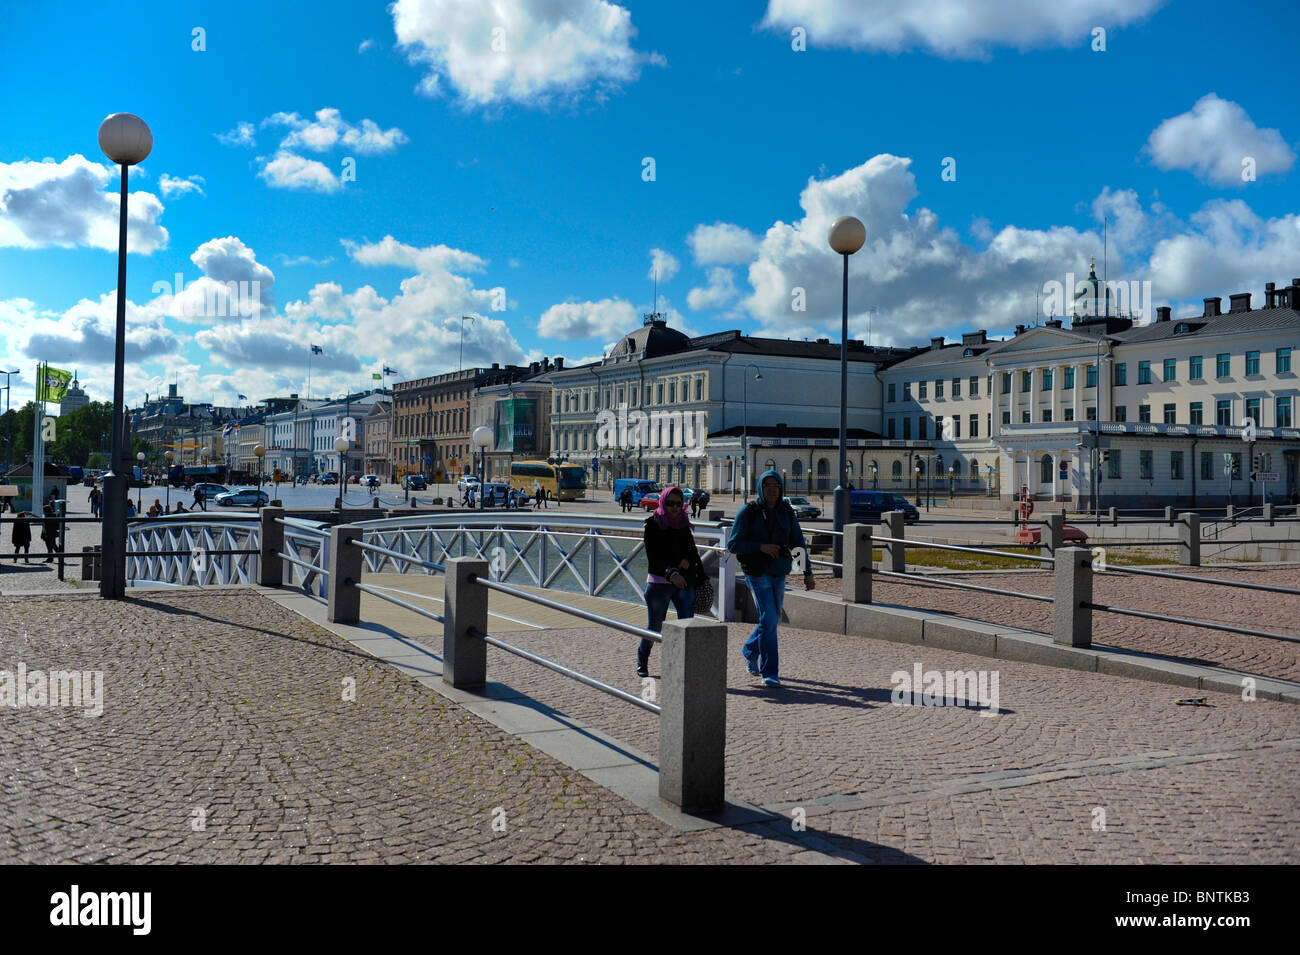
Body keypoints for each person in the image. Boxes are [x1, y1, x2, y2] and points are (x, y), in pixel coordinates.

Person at [727, 470, 814, 688]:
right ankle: (770, 671)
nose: (772, 489)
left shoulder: (786, 511)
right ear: (760, 488)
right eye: (768, 485)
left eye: (776, 485)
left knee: (771, 619)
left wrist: (807, 572)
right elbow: (733, 545)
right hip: (757, 572)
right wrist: (761, 547)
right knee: (769, 618)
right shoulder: (748, 512)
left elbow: (797, 542)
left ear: (781, 488)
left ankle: (750, 649)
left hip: (779, 571)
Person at [637, 485, 702, 678]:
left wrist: (688, 562)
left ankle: (679, 666)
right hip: (659, 583)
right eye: (670, 503)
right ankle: (642, 659)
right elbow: (654, 558)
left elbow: (692, 553)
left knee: (685, 626)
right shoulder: (652, 524)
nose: (674, 507)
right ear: (662, 502)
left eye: (678, 503)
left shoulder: (683, 524)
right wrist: (673, 571)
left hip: (684, 584)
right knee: (655, 627)